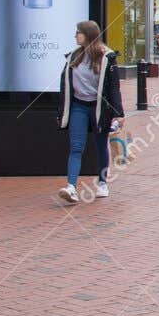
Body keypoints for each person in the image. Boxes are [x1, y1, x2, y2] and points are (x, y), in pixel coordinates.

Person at [57, 20, 124, 204]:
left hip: (98, 108)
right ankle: (71, 187)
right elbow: (65, 86)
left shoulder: (107, 57)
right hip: (79, 106)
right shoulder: (73, 56)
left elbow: (114, 88)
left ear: (88, 34)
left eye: (78, 32)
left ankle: (102, 182)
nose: (75, 36)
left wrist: (119, 114)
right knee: (76, 147)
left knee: (100, 145)